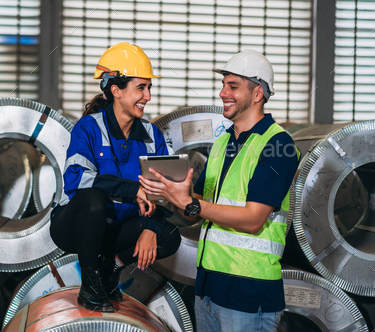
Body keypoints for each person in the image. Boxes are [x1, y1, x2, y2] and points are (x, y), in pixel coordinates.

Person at [139, 49, 300, 331]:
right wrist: (171, 193)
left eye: (233, 86)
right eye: (223, 84)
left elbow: (253, 219)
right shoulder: (223, 143)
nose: (222, 92)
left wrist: (191, 204)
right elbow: (196, 212)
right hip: (209, 286)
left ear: (258, 93)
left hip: (248, 291)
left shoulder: (278, 147)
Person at [50, 42, 181, 312]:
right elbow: (78, 180)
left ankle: (112, 266)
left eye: (149, 87)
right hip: (76, 227)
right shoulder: (88, 128)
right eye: (141, 87)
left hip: (115, 231)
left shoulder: (151, 134)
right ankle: (91, 284)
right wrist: (134, 190)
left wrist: (149, 229)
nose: (148, 96)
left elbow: (164, 193)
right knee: (94, 198)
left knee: (169, 235)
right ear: (116, 90)